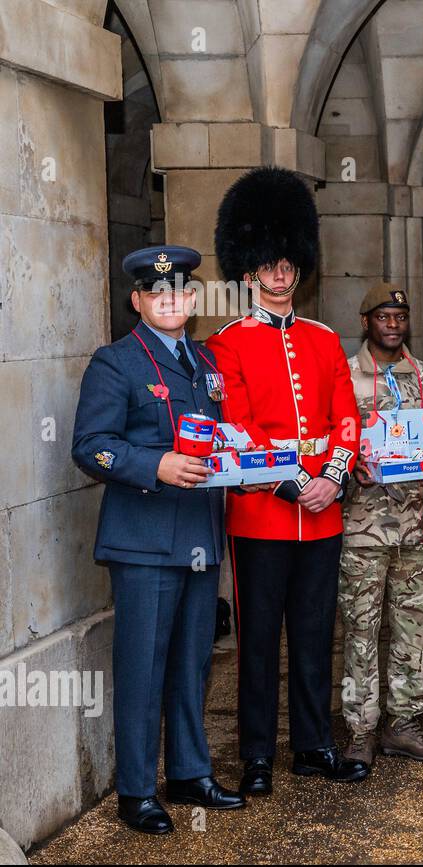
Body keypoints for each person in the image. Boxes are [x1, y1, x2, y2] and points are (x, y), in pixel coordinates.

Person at [72, 245, 244, 834]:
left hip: (198, 533)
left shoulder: (204, 362)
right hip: (143, 539)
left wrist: (237, 448)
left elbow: (211, 436)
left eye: (180, 293)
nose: (170, 301)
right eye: (157, 293)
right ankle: (137, 789)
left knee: (194, 661)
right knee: (143, 667)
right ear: (138, 300)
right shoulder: (116, 361)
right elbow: (90, 444)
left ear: (193, 300)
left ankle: (191, 771)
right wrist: (156, 465)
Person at [207, 166, 367, 794]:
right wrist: (285, 484)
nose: (280, 274)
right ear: (250, 271)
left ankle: (312, 744)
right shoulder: (228, 344)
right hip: (262, 516)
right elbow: (236, 427)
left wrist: (331, 477)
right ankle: (254, 755)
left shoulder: (324, 341)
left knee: (312, 635)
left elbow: (345, 418)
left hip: (323, 514)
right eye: (270, 263)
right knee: (256, 644)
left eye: (288, 263)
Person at [338, 282, 423, 767]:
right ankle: (360, 730)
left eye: (400, 317)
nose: (393, 325)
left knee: (415, 632)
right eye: (383, 317)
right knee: (360, 631)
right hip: (362, 530)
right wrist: (350, 464)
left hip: (419, 531)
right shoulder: (343, 378)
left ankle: (403, 724)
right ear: (365, 322)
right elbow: (327, 445)